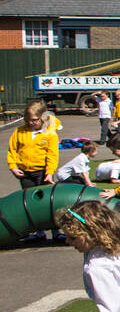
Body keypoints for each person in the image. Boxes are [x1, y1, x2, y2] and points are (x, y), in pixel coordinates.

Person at [7, 101, 58, 242]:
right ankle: (39, 232)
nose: (31, 123)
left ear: (42, 118)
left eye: (34, 120)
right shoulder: (19, 131)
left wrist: (49, 172)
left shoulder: (49, 133)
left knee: (48, 202)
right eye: (28, 120)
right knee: (30, 203)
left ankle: (56, 231)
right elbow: (12, 151)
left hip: (42, 172)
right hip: (25, 173)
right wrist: (13, 167)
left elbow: (52, 155)